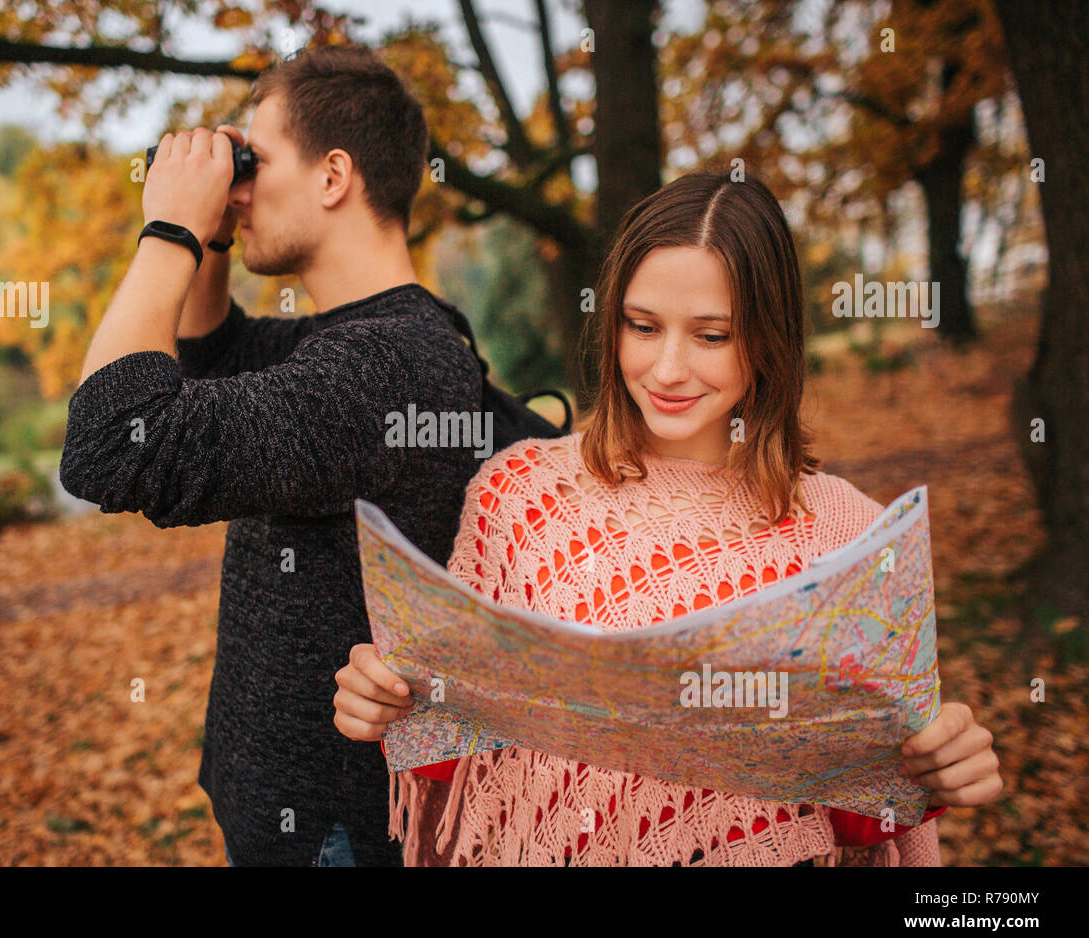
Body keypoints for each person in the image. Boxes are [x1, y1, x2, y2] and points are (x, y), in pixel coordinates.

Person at [333, 171, 1004, 866]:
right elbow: (464, 753)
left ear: (769, 340)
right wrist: (391, 703)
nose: (668, 368)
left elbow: (862, 811)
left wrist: (930, 770)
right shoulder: (520, 495)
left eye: (712, 336)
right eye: (642, 327)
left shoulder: (848, 536)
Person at [60, 45, 490, 866]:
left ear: (334, 176)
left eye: (252, 160)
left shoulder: (388, 364)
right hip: (280, 806)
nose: (239, 184)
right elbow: (211, 353)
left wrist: (170, 227)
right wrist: (213, 235)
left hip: (332, 833)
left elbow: (112, 442)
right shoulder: (353, 341)